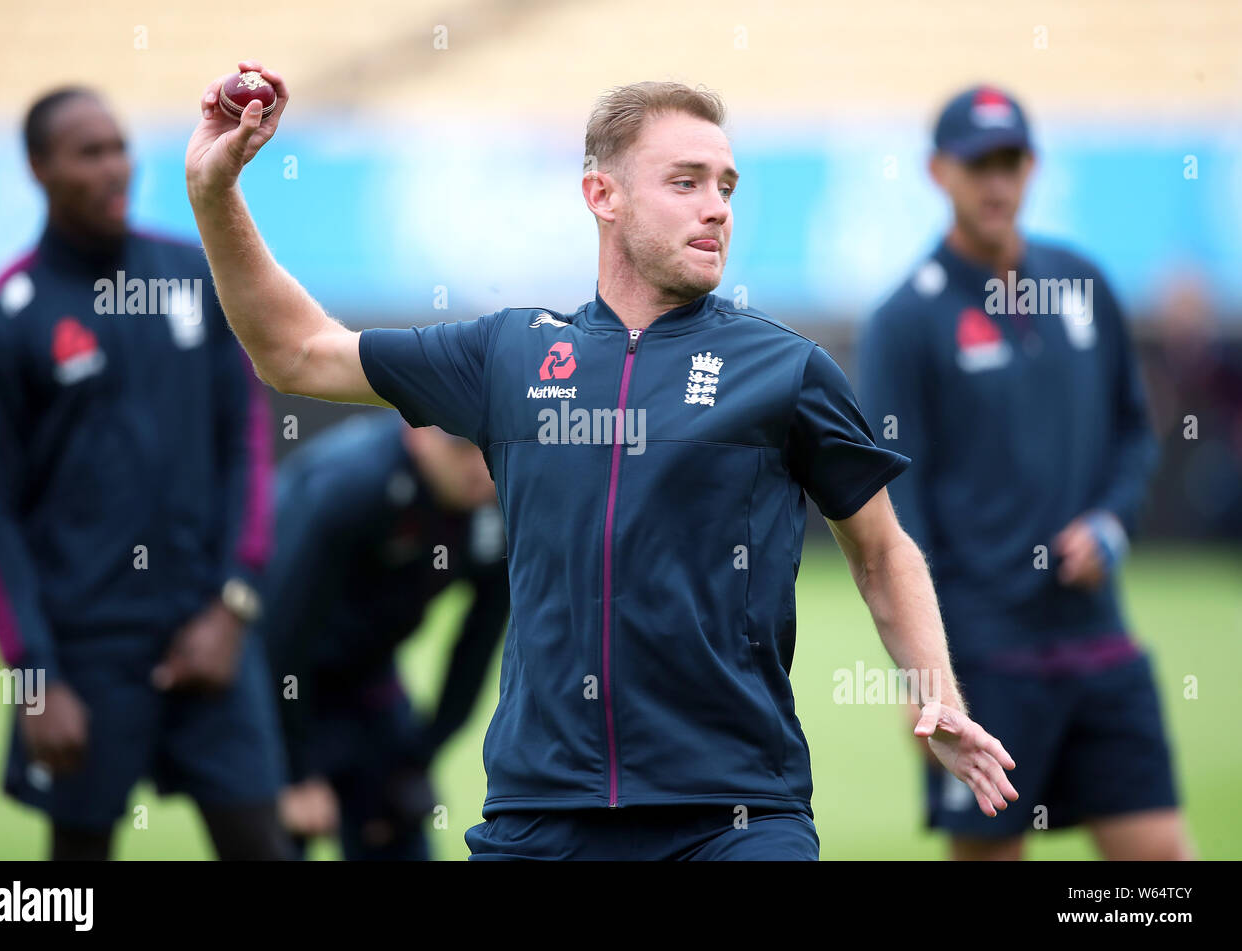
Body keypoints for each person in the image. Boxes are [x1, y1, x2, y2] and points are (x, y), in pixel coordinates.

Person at [184, 61, 1017, 861]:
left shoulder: (787, 369)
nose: (717, 207)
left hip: (735, 815)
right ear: (602, 195)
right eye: (686, 182)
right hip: (540, 817)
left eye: (727, 186)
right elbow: (294, 351)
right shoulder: (507, 354)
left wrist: (935, 689)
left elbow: (881, 549)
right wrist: (214, 192)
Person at [0, 86, 290, 860]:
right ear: (39, 168)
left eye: (119, 146)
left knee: (264, 846)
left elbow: (244, 440)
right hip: (84, 655)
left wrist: (233, 605)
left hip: (211, 633)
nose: (113, 167)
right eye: (87, 152)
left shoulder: (192, 274)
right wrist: (35, 676)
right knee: (75, 876)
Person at [858, 85, 1193, 860]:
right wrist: (928, 681)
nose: (996, 182)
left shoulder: (1083, 282)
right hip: (985, 660)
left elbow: (1133, 433)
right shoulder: (905, 320)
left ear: (1033, 166)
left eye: (1010, 161)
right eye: (978, 165)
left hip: (1101, 644)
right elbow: (897, 515)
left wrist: (1111, 521)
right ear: (938, 171)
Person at [260, 413, 508, 860]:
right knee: (276, 837)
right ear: (417, 436)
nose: (479, 467)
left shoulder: (501, 503)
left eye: (487, 450)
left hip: (369, 680)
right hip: (279, 680)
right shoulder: (352, 484)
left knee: (399, 824)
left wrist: (420, 756)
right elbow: (280, 631)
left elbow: (477, 649)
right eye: (461, 449)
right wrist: (292, 772)